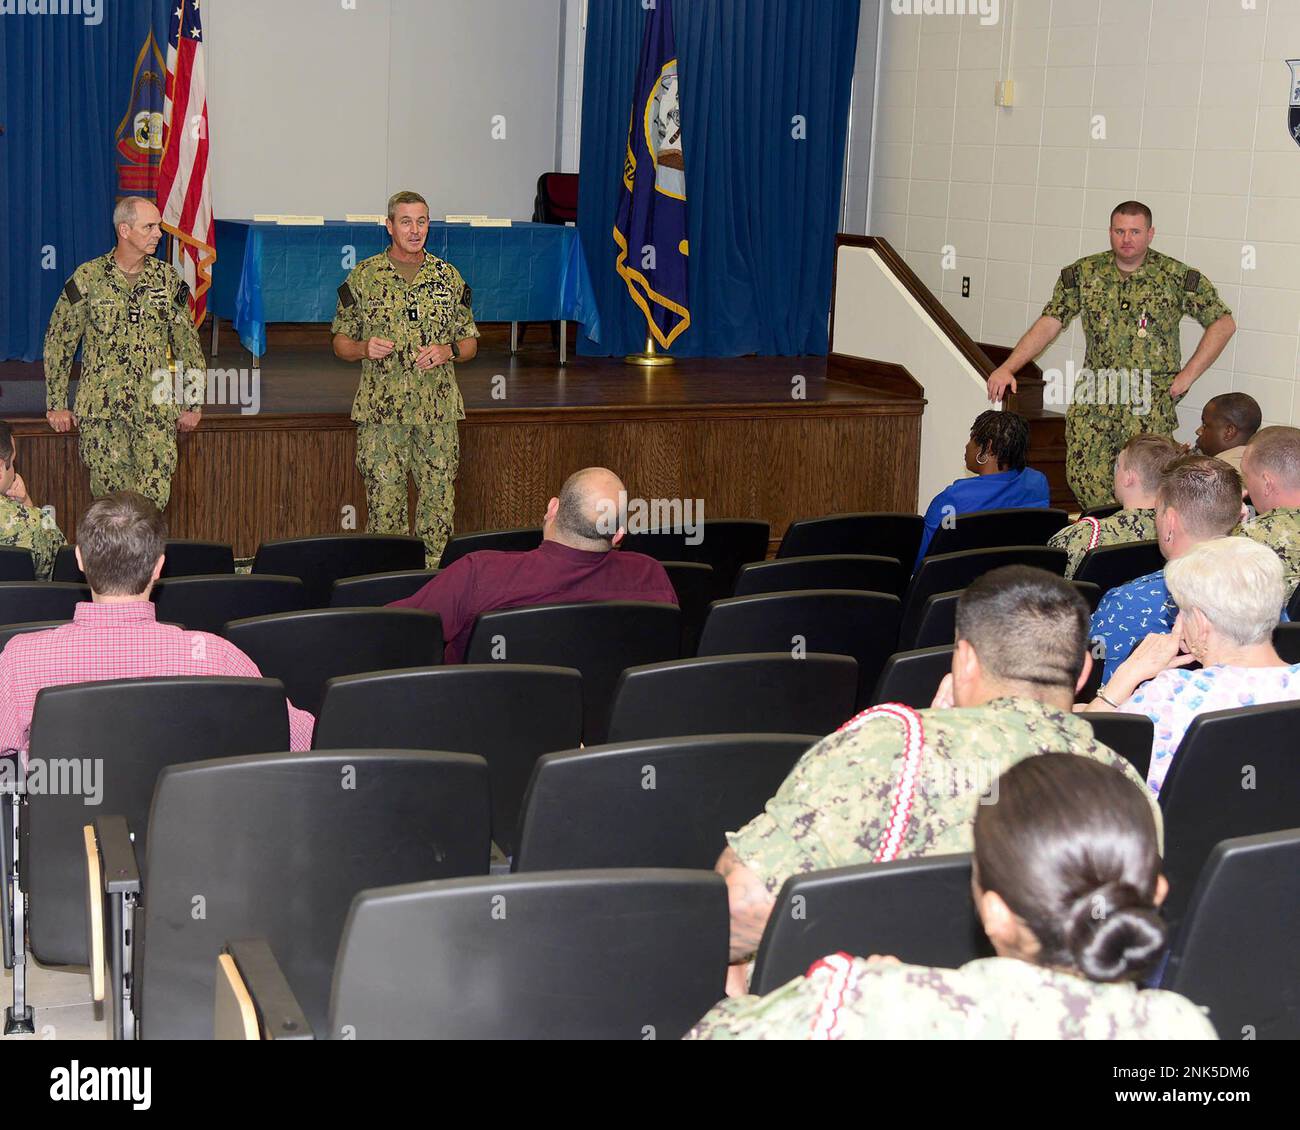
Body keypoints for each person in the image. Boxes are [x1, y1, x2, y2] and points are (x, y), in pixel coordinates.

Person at [714, 566, 1160, 972]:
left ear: (963, 659)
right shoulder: (1123, 788)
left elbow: (740, 911)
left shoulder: (884, 748)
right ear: (1083, 672)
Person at [688, 755, 1215, 1040]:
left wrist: (739, 994)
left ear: (993, 912)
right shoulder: (1182, 1027)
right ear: (1157, 891)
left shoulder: (864, 1005)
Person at [0, 492, 314, 757]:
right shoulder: (219, 658)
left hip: (61, 827)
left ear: (80, 560)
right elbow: (301, 739)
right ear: (159, 566)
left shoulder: (19, 659)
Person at [986, 201, 1235, 511]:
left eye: (1135, 231)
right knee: (1085, 476)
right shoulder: (1083, 274)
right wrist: (1008, 367)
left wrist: (1188, 375)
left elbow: (1223, 323)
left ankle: (1134, 546)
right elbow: (1050, 322)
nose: (1126, 238)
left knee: (1149, 481)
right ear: (1110, 232)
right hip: (1096, 397)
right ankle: (1101, 538)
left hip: (1148, 399)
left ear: (1150, 233)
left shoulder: (1175, 276)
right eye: (1119, 231)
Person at [390, 467, 678, 662]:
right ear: (618, 534)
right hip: (604, 735)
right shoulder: (651, 576)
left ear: (552, 508)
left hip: (477, 732)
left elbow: (390, 631)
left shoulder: (480, 573)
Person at [332, 190, 479, 567]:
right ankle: (387, 586)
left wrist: (449, 351)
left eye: (422, 221)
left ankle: (435, 585)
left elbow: (470, 342)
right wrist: (364, 348)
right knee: (384, 507)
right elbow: (340, 342)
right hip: (382, 415)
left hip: (437, 413)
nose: (415, 231)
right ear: (390, 226)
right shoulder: (364, 276)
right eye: (406, 222)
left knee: (438, 506)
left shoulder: (448, 277)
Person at [1086, 538, 1299, 795]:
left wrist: (1125, 677)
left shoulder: (1168, 697)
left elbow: (1076, 754)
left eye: (1181, 610)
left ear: (1199, 621)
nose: (1177, 619)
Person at [43, 197, 205, 511]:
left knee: (152, 509)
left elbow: (188, 346)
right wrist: (56, 404)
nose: (159, 233)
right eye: (150, 226)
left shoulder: (168, 281)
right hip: (104, 420)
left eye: (158, 225)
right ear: (125, 230)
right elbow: (59, 343)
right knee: (110, 510)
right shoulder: (88, 279)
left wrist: (193, 402)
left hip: (154, 416)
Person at [1089, 455, 1243, 682]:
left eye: (1157, 511)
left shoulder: (1126, 602)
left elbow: (1098, 684)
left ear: (1170, 521)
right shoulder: (1264, 598)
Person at [913, 410, 1049, 569]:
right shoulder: (1039, 483)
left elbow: (921, 561)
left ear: (988, 448)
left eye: (972, 438)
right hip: (1016, 581)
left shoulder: (954, 499)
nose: (967, 445)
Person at [1048, 433, 1177, 578]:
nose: (1114, 473)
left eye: (1118, 466)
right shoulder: (1180, 534)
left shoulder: (1083, 536)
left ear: (1128, 478)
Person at [1237, 426, 1300, 603]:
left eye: (1246, 475)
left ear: (1267, 483)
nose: (1246, 486)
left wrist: (1225, 528)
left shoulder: (1251, 538)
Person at [0, 423, 66, 581]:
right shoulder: (33, 523)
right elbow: (60, 566)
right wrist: (28, 506)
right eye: (13, 462)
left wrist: (23, 502)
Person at [1194, 392, 1260, 476]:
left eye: (1205, 425)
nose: (1198, 431)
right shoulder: (1256, 464)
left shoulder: (1217, 473)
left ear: (1229, 432)